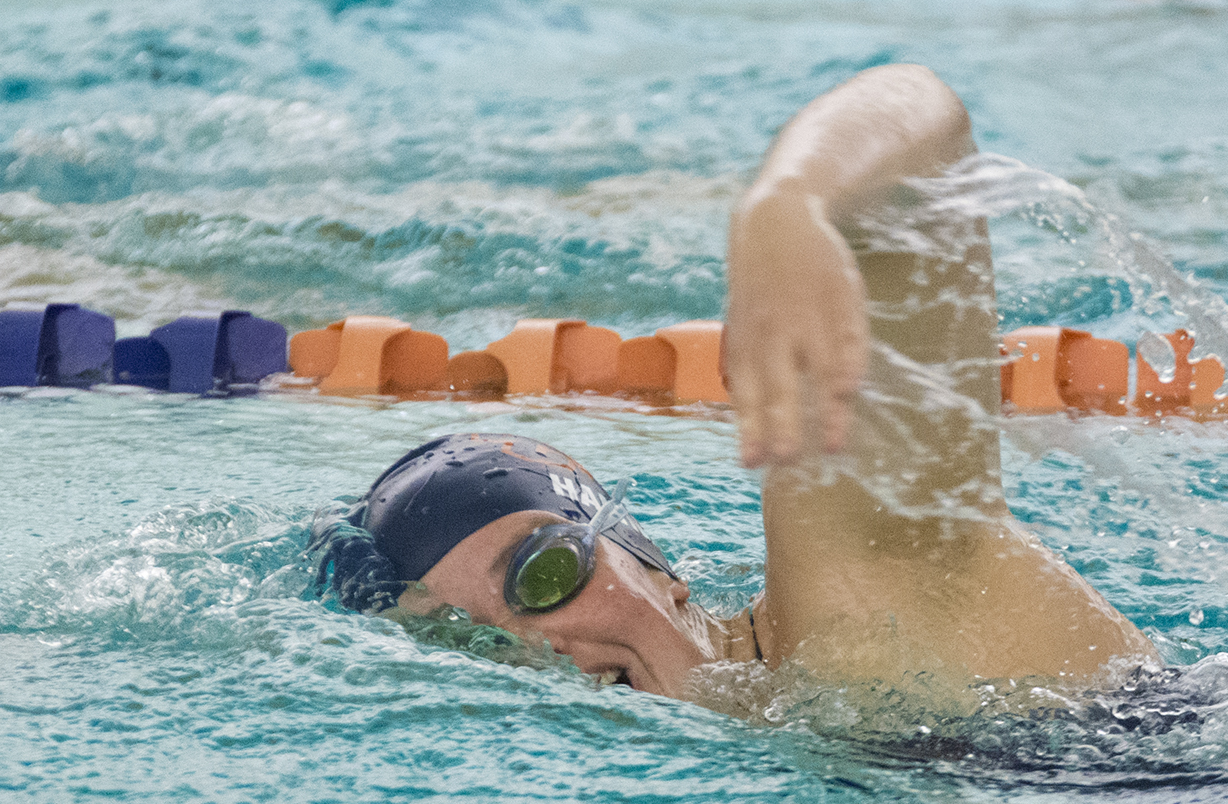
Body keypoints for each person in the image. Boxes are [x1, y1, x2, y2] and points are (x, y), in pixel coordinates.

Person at [314, 64, 1156, 700]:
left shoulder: (861, 593)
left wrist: (788, 203)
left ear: (652, 565)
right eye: (477, 647)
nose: (541, 649)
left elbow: (923, 114)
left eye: (542, 577)